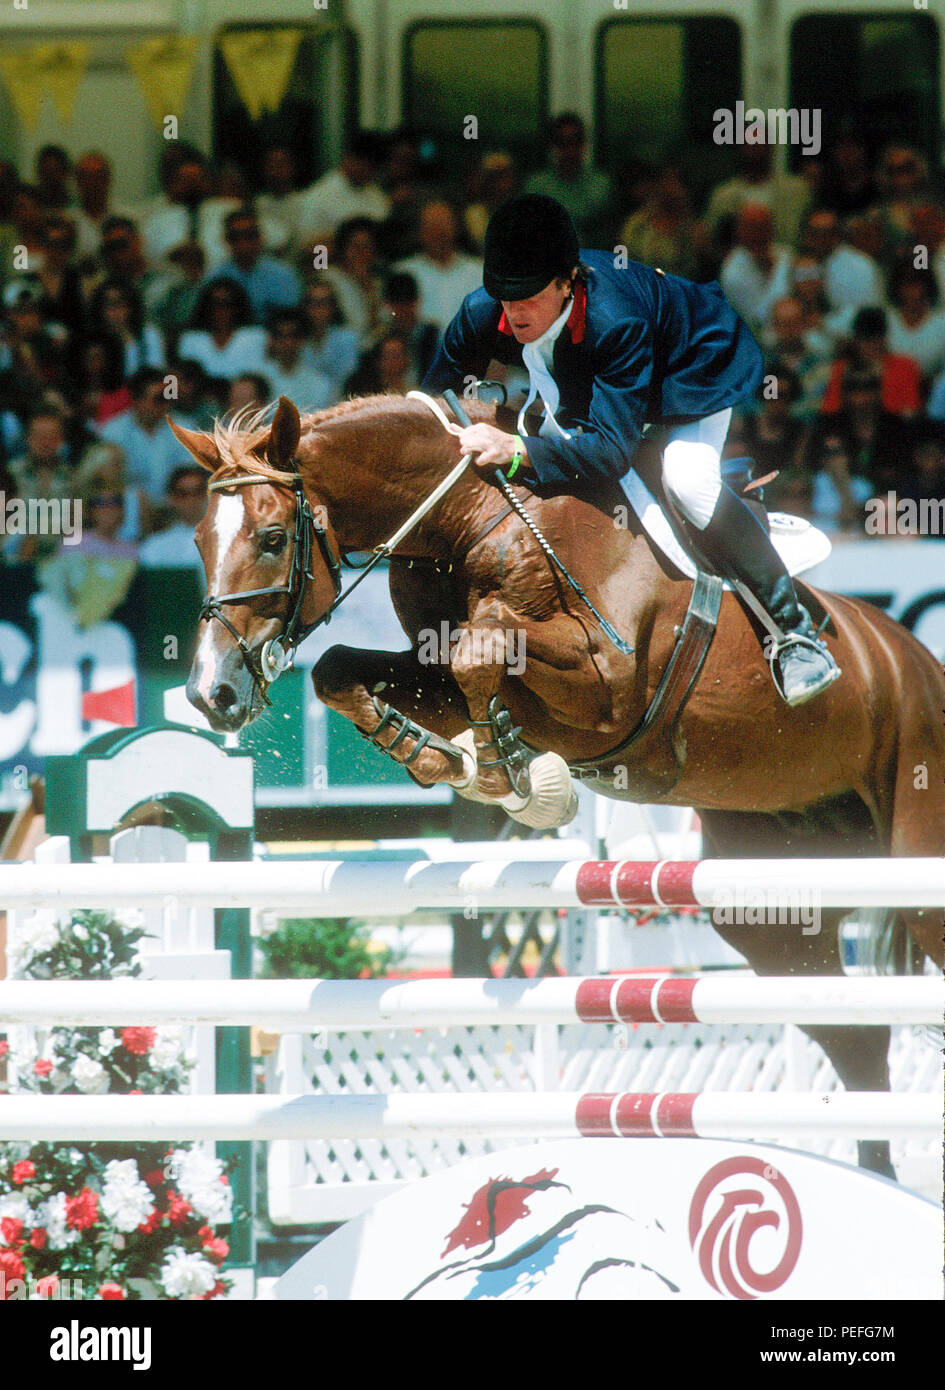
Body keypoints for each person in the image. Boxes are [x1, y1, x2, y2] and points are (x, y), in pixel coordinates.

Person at [422, 193, 840, 706]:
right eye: (505, 298)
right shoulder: (486, 312)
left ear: (567, 280)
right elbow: (429, 402)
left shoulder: (616, 319)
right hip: (591, 372)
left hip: (689, 369)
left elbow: (607, 456)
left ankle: (795, 633)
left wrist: (513, 449)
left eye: (528, 297)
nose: (514, 313)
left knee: (688, 482)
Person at [394, 201, 483, 333]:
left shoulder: (479, 271)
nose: (438, 232)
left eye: (443, 224)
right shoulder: (403, 272)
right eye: (431, 226)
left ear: (456, 228)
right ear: (420, 231)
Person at [524, 113, 613, 243]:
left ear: (584, 145)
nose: (569, 150)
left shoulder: (601, 185)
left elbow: (606, 233)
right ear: (553, 146)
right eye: (562, 143)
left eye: (574, 142)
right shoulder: (537, 186)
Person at [206, 207, 302, 325]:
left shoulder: (283, 274)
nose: (244, 243)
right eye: (236, 237)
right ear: (227, 240)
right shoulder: (216, 277)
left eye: (249, 236)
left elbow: (291, 319)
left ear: (260, 237)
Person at [262, 308, 336, 408]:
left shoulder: (320, 382)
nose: (287, 343)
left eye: (292, 336)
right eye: (281, 336)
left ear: (303, 340)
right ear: (271, 340)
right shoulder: (260, 378)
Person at [137, 464, 207, 569]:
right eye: (184, 494)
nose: (192, 500)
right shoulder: (154, 546)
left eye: (198, 492)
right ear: (172, 499)